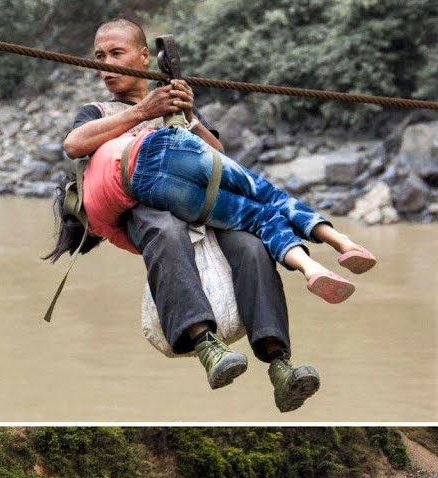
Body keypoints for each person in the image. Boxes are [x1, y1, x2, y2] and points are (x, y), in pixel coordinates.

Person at [52, 18, 333, 412]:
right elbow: (74, 144)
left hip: (200, 206)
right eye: (100, 57)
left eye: (117, 54)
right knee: (164, 228)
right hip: (142, 210)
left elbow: (218, 157)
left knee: (251, 245)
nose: (106, 66)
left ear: (143, 57)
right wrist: (143, 112)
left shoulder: (176, 104)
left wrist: (190, 118)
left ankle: (279, 363)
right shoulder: (97, 110)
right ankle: (205, 344)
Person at [79, 123, 375, 303]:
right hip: (165, 146)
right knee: (269, 196)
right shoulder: (99, 151)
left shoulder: (102, 224)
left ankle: (312, 270)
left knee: (259, 219)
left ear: (86, 230)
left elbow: (152, 248)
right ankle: (342, 242)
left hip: (152, 187)